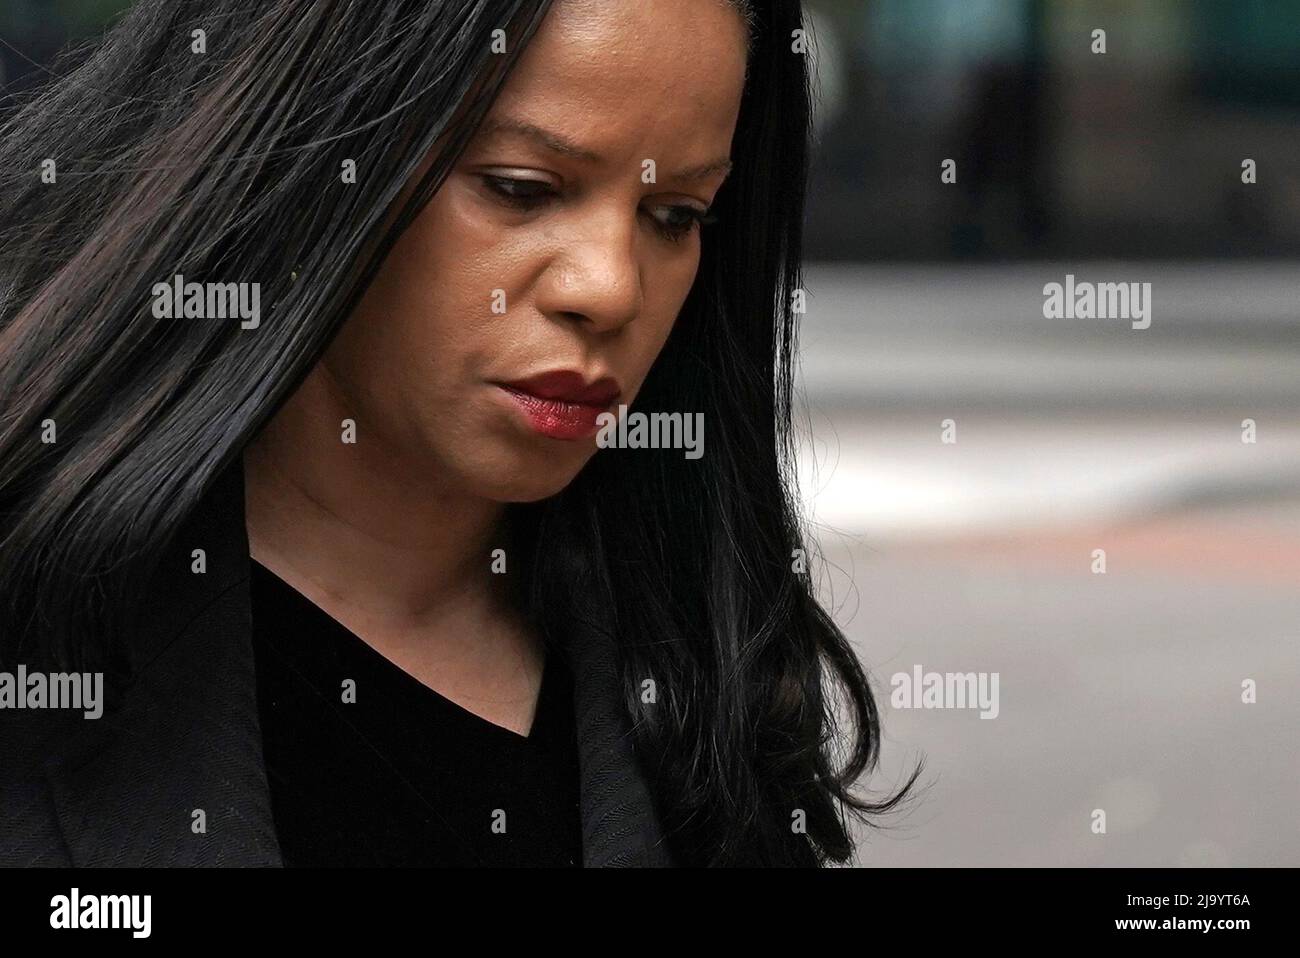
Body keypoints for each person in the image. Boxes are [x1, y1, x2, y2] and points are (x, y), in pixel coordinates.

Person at [0, 0, 920, 867]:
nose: (610, 288)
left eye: (674, 216)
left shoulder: (696, 681)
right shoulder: (50, 653)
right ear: (310, 160)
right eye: (521, 188)